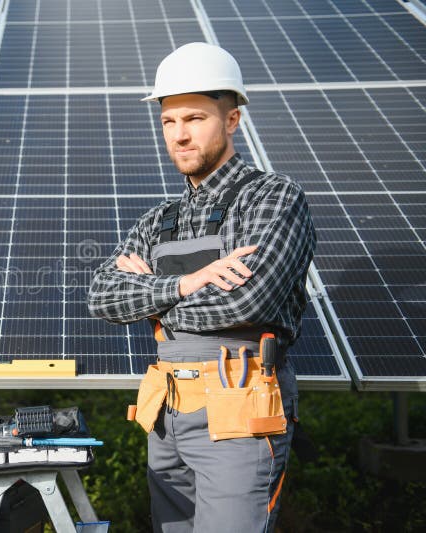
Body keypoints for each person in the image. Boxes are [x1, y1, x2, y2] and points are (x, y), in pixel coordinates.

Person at [87, 42, 316, 532]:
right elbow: (102, 296)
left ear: (232, 120)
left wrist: (152, 293)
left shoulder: (272, 198)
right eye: (169, 122)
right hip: (166, 414)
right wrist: (188, 283)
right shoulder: (158, 220)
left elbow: (244, 301)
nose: (180, 135)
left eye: (195, 118)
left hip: (240, 410)